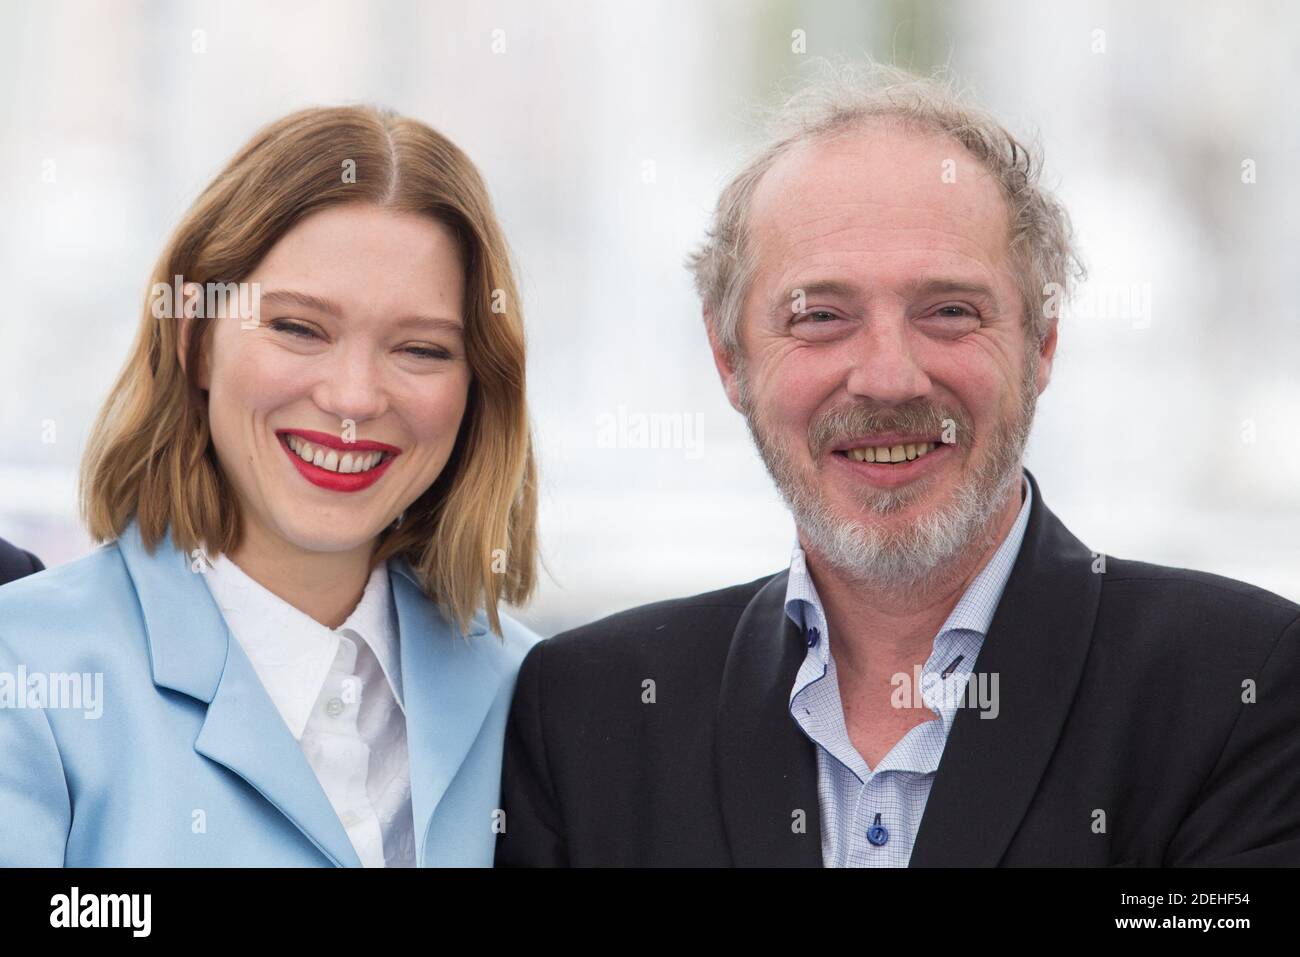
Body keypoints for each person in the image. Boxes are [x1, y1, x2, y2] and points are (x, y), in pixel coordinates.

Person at [495, 61, 1300, 867]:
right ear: (729, 357)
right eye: (820, 316)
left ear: (1041, 343)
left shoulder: (1243, 687)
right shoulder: (586, 713)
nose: (887, 377)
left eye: (950, 311)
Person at [0, 105, 541, 867]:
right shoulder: (23, 668)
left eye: (420, 348)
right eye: (297, 328)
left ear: (476, 389)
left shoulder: (534, 697)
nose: (354, 400)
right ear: (195, 342)